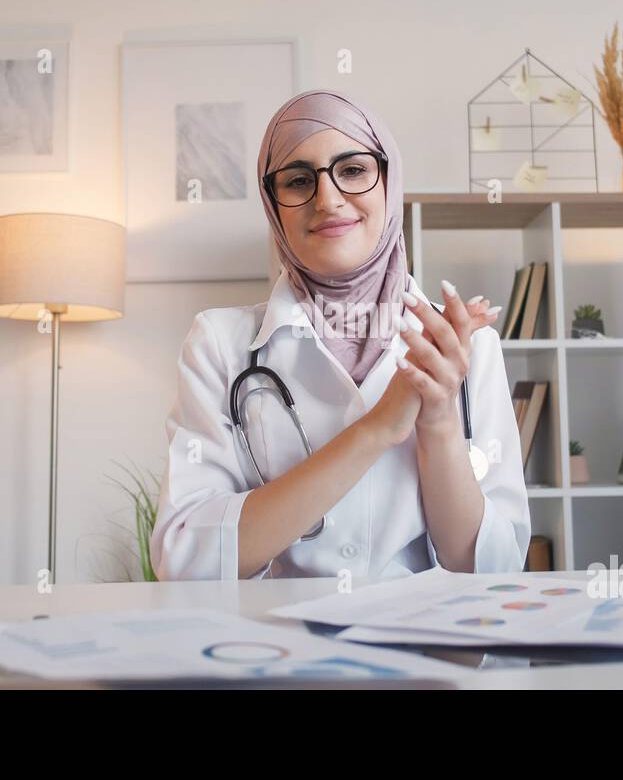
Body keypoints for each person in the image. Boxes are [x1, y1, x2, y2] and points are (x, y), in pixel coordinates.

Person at [151, 90, 530, 581]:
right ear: (274, 205)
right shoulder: (219, 343)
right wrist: (378, 429)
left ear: (388, 182)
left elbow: (493, 566)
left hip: (422, 644)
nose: (328, 199)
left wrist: (437, 421)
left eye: (352, 170)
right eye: (298, 180)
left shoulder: (467, 347)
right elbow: (187, 560)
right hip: (280, 644)